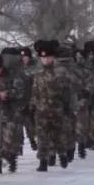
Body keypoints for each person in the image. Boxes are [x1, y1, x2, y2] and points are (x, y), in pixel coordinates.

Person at [32, 41, 75, 171]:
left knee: (58, 134)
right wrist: (32, 105)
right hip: (41, 110)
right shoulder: (38, 72)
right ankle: (43, 161)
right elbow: (35, 90)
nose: (45, 59)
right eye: (42, 57)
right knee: (42, 136)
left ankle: (62, 154)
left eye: (47, 57)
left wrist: (68, 107)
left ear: (53, 57)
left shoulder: (61, 72)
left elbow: (68, 91)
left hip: (57, 109)